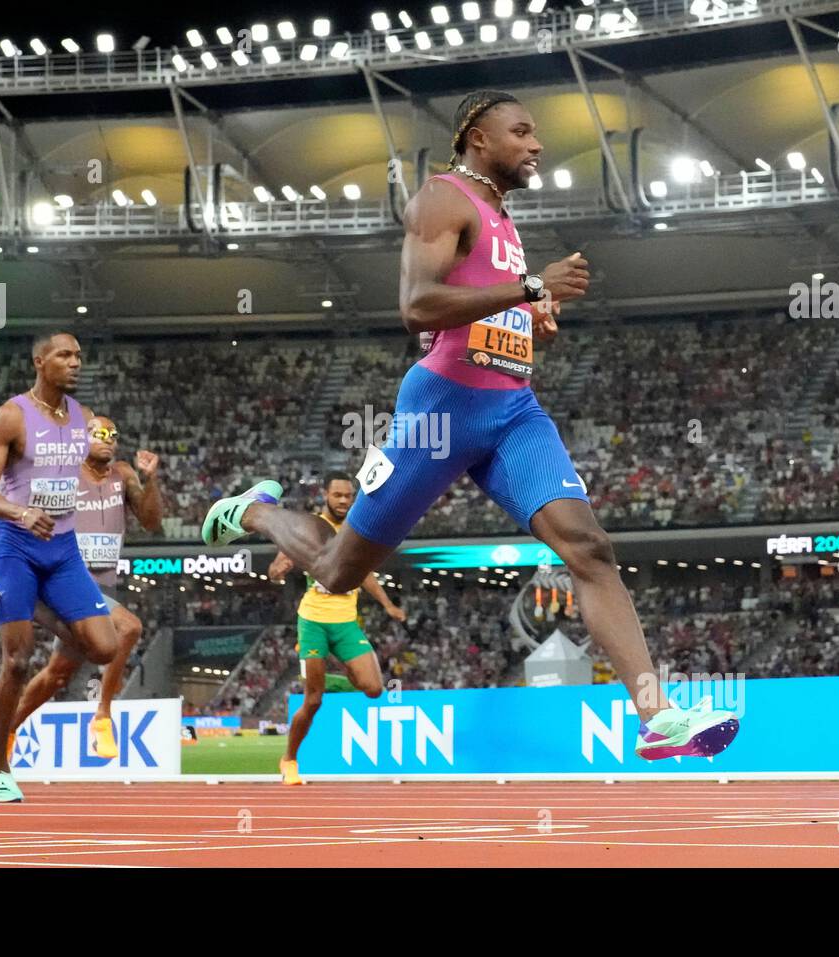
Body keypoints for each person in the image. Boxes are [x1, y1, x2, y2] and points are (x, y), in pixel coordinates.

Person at [202, 90, 738, 761]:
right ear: (478, 139)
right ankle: (257, 511)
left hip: (512, 409)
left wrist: (528, 322)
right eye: (522, 132)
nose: (536, 144)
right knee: (338, 571)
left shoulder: (503, 219)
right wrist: (530, 290)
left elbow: (486, 308)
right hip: (442, 410)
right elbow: (417, 306)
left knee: (589, 547)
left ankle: (656, 714)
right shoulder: (441, 198)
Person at [0, 331, 119, 802]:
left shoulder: (85, 419)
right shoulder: (9, 417)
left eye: (79, 354)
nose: (76, 362)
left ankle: (20, 605)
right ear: (40, 361)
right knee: (17, 662)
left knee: (104, 647)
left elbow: (98, 461)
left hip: (62, 549)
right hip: (16, 545)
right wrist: (18, 514)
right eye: (65, 355)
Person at [0, 415, 161, 760]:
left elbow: (151, 522)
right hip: (65, 576)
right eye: (99, 433)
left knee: (56, 676)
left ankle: (8, 732)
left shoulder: (123, 474)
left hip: (99, 586)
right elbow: (6, 490)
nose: (108, 439)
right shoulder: (61, 469)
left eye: (113, 433)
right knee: (129, 627)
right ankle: (103, 716)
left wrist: (149, 481)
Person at [266, 472, 405, 785]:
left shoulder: (358, 530)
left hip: (345, 622)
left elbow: (365, 574)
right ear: (324, 495)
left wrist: (387, 605)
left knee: (373, 688)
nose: (343, 501)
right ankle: (289, 759)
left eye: (348, 496)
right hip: (313, 620)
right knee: (313, 700)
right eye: (337, 495)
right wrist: (278, 570)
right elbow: (276, 568)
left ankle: (317, 674)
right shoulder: (310, 527)